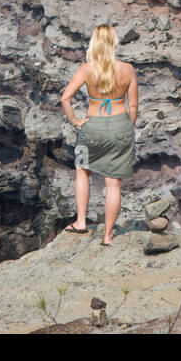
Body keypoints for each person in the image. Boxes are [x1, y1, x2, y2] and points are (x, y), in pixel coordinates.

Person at [58, 24, 138, 246]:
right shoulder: (128, 69)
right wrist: (127, 129)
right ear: (114, 43)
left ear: (94, 42)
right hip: (120, 127)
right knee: (113, 184)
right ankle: (108, 236)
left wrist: (75, 121)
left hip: (91, 129)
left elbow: (65, 98)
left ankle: (81, 221)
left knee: (82, 170)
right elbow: (133, 106)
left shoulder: (86, 69)